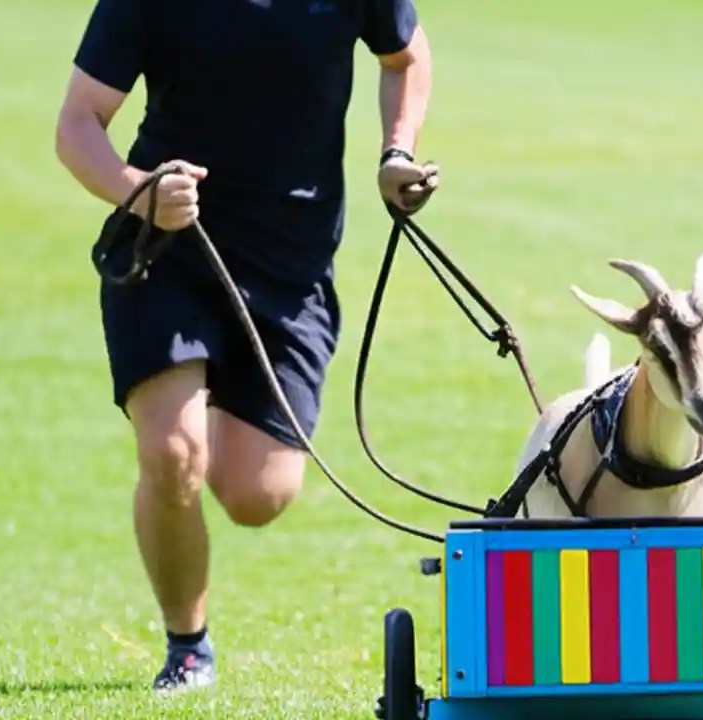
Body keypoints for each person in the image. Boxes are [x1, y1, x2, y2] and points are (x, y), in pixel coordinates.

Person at [53, 0, 438, 693]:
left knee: (256, 495)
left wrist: (396, 153)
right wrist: (139, 192)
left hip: (291, 269)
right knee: (173, 454)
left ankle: (197, 448)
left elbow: (405, 58)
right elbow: (78, 124)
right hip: (169, 244)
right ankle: (187, 646)